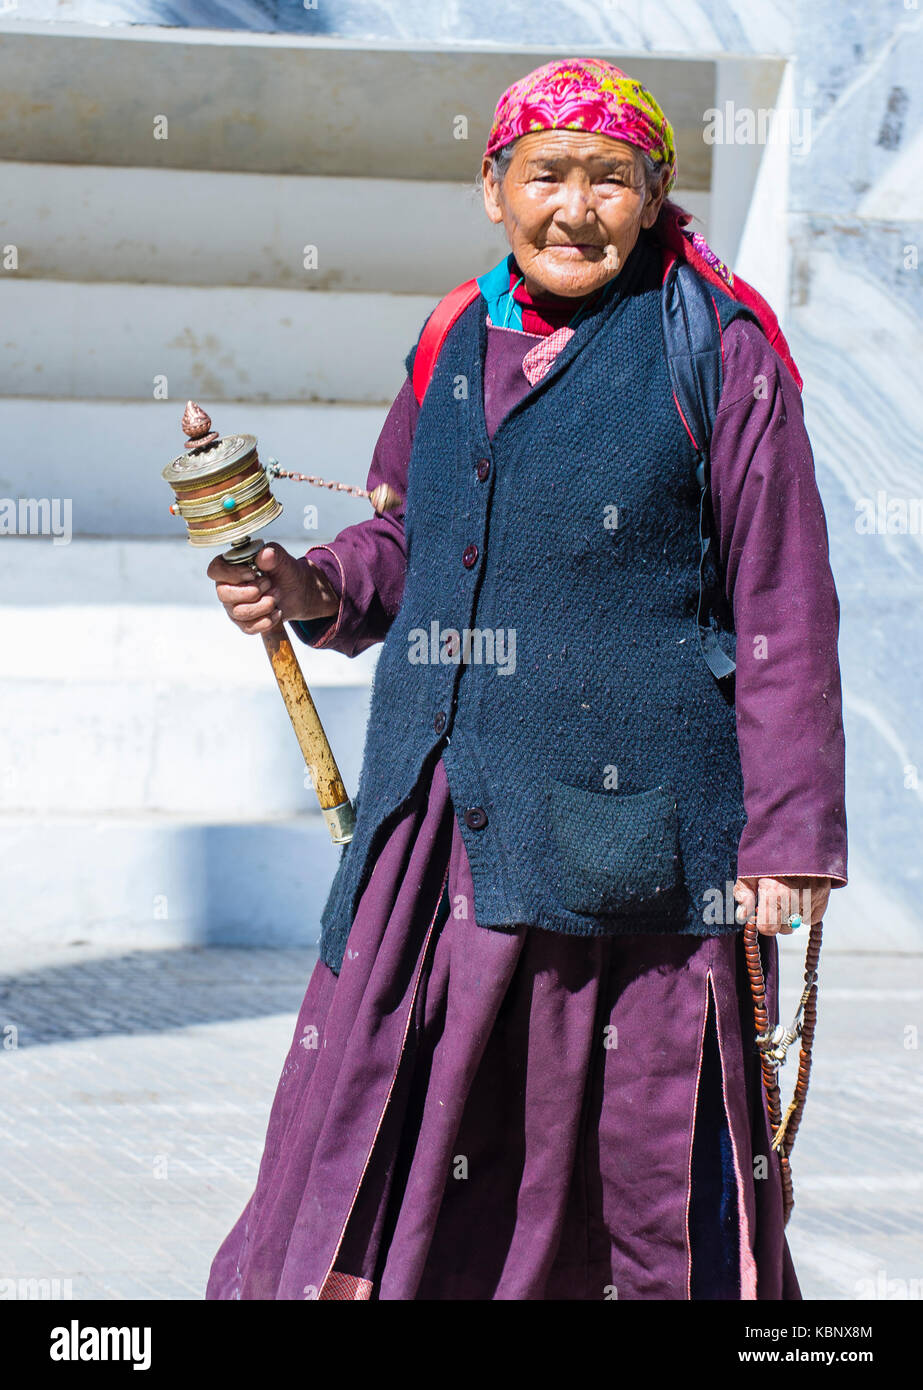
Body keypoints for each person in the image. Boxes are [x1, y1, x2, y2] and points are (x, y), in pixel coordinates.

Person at [204, 58, 847, 1301]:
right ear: (490, 185)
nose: (574, 206)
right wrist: (312, 584)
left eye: (610, 179)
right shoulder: (452, 331)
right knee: (390, 1121)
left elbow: (783, 602)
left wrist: (786, 838)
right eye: (544, 172)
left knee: (608, 1164)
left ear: (654, 195)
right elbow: (404, 532)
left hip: (630, 848)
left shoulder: (716, 348)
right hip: (430, 824)